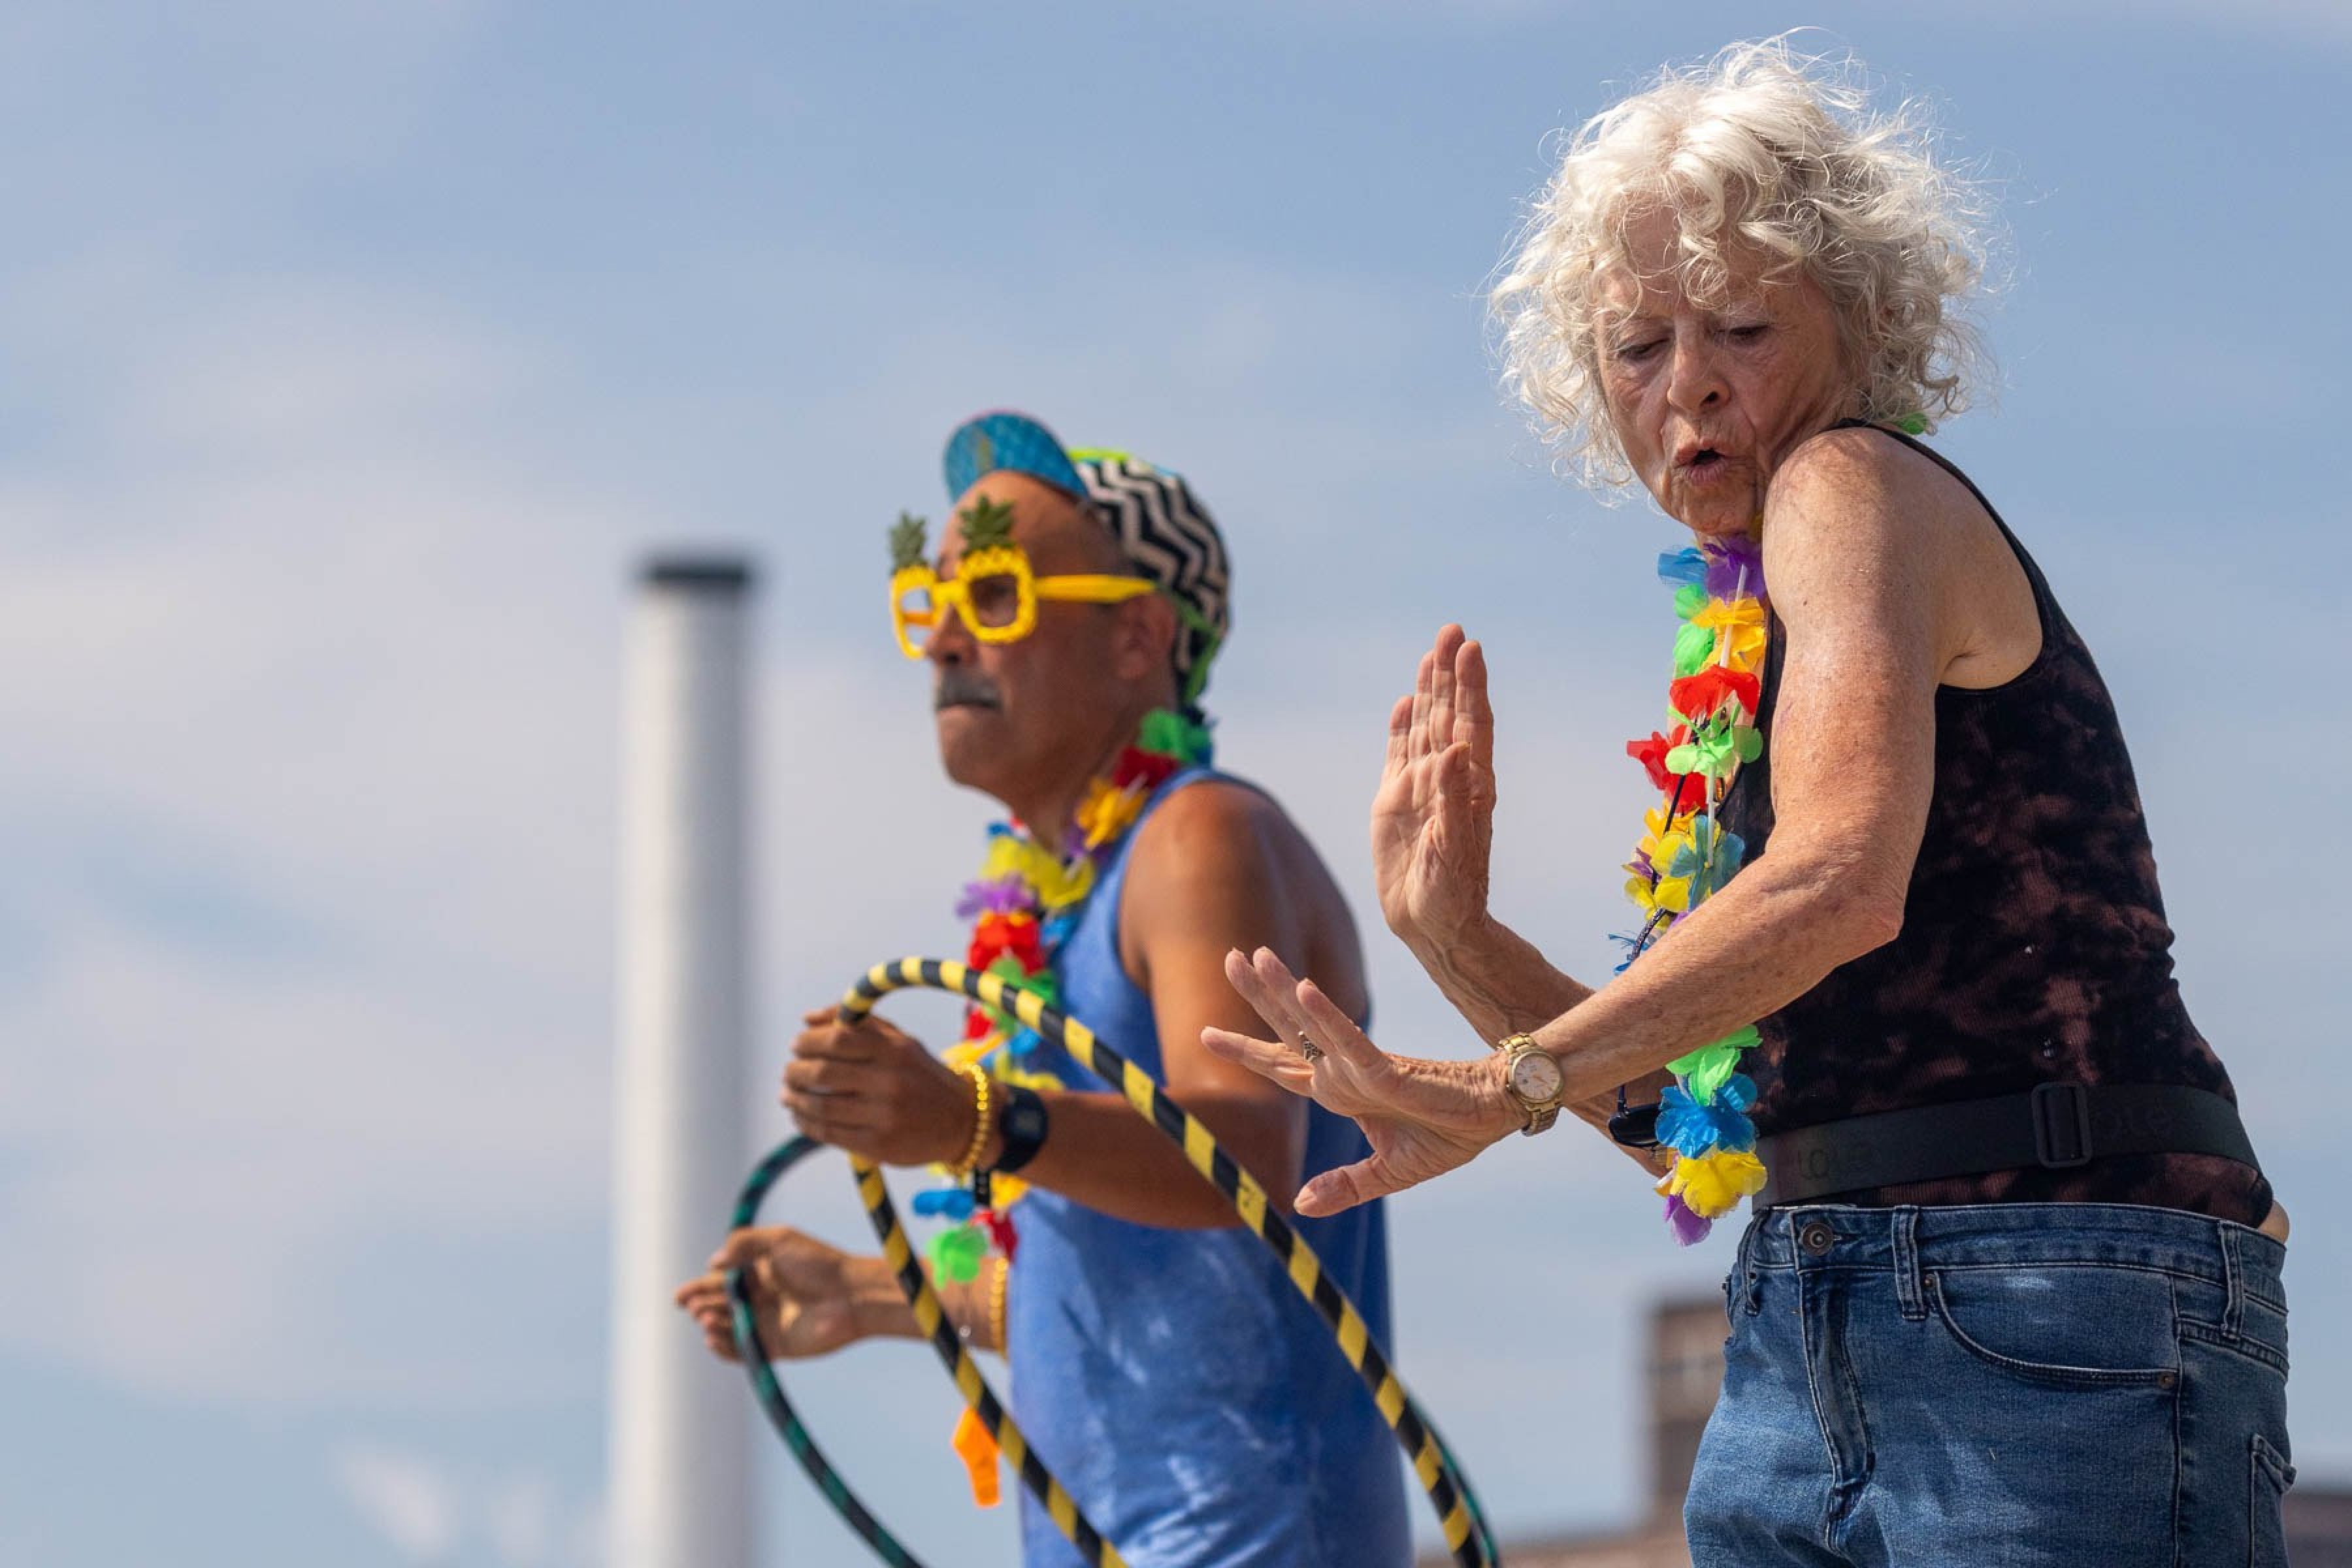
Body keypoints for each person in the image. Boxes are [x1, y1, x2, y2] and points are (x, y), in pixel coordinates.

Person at [1201, 40, 2294, 1568]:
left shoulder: (1846, 484)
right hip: (1821, 1301)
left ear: (1866, 324)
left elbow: (1843, 879)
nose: (1689, 383)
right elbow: (1698, 1128)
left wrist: (1500, 1085)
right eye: (1636, 346)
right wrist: (1454, 935)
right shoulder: (1752, 613)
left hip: (2046, 1287)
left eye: (1741, 325)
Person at [675, 411, 1410, 1567]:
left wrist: (964, 1119)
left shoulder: (1195, 837)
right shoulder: (1075, 894)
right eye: (932, 602)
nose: (945, 644)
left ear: (1136, 639)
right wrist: (868, 1296)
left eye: (1000, 598)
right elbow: (1136, 1283)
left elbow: (1242, 1161)